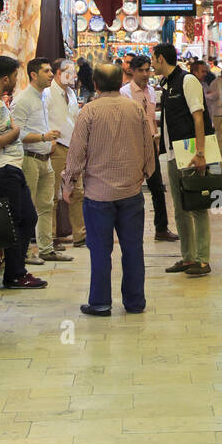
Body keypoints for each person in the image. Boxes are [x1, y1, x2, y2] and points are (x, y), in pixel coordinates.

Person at [62, 64, 158, 316]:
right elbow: (149, 145)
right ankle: (135, 302)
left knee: (100, 251)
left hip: (98, 194)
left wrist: (68, 183)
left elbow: (77, 152)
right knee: (133, 248)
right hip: (131, 192)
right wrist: (146, 173)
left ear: (95, 85)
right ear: (120, 82)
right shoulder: (135, 109)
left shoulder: (89, 112)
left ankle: (100, 302)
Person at [0, 56, 47, 289]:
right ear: (5, 79)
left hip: (11, 168)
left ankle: (16, 271)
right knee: (17, 220)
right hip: (2, 170)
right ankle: (15, 274)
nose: (16, 81)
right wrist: (16, 132)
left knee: (28, 218)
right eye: (15, 76)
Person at [152, 42, 212, 276]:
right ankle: (188, 258)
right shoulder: (167, 84)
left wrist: (200, 153)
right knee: (180, 209)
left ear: (160, 58)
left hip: (190, 150)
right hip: (173, 152)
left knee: (197, 206)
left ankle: (203, 260)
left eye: (153, 59)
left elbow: (198, 117)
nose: (152, 63)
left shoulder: (187, 80)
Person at [10, 58, 72, 264]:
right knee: (28, 208)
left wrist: (48, 140)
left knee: (46, 205)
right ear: (34, 75)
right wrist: (43, 137)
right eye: (46, 71)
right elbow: (16, 134)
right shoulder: (23, 100)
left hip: (45, 159)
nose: (51, 75)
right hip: (30, 159)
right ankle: (26, 252)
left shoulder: (43, 97)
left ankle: (46, 248)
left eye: (50, 71)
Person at [121, 53, 177, 242]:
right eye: (141, 71)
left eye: (148, 70)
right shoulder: (125, 93)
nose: (145, 74)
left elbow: (151, 117)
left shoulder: (152, 91)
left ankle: (161, 228)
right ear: (132, 71)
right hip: (133, 145)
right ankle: (128, 229)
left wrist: (156, 139)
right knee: (132, 189)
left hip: (151, 144)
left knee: (157, 187)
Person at [44, 58, 85, 247]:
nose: (73, 76)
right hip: (56, 147)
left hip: (72, 147)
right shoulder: (47, 93)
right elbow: (42, 118)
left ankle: (80, 234)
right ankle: (50, 236)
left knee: (77, 192)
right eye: (69, 72)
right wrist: (48, 141)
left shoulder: (71, 93)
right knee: (52, 194)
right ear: (59, 73)